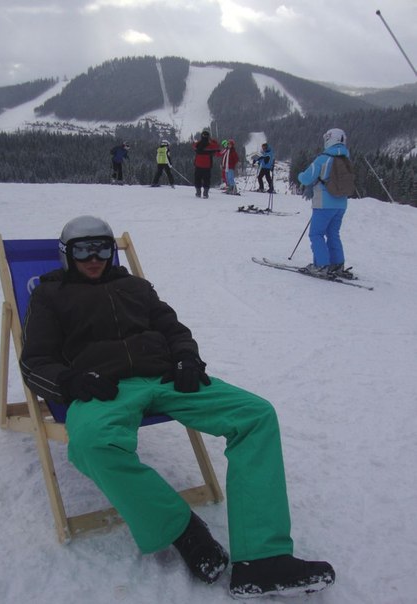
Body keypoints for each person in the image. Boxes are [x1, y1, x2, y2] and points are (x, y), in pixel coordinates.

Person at [20, 215, 336, 599]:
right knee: (90, 444)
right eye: (83, 250)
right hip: (105, 388)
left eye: (103, 249)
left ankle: (264, 560)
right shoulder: (50, 295)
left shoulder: (135, 286)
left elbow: (173, 329)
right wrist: (71, 382)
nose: (94, 259)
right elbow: (35, 362)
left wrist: (186, 357)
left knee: (256, 415)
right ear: (66, 254)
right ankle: (181, 529)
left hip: (167, 377)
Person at [297, 128, 351, 277]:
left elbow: (306, 178)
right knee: (333, 233)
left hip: (323, 203)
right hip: (341, 204)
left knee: (316, 234)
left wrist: (300, 175)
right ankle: (337, 264)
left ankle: (321, 265)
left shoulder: (323, 159)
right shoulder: (346, 159)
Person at [192, 129, 220, 198]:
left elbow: (193, 145)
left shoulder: (197, 145)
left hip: (198, 165)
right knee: (206, 180)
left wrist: (200, 141)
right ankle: (205, 193)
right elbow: (217, 147)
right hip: (207, 165)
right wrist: (212, 140)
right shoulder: (211, 146)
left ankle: (198, 192)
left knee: (197, 179)